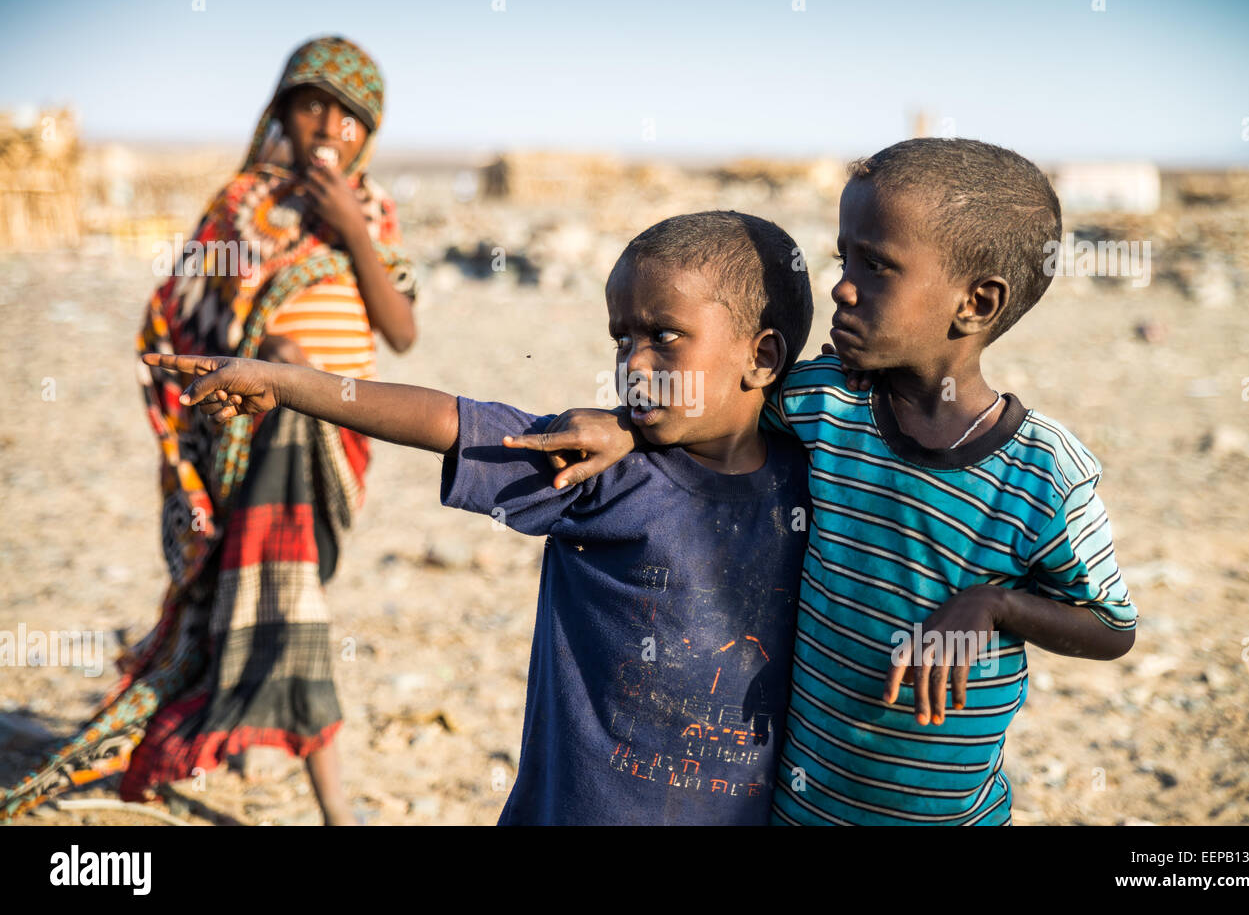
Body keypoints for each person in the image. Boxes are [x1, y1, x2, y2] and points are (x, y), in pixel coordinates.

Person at [513, 139, 1139, 825]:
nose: (842, 284)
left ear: (977, 302)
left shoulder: (1044, 475)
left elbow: (1110, 629)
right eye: (845, 257)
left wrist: (994, 605)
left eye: (876, 265)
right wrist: (624, 426)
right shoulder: (824, 403)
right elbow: (718, 403)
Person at [144, 210, 815, 824]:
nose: (634, 365)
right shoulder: (592, 470)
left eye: (665, 337)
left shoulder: (818, 477)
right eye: (622, 339)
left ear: (761, 357)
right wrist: (291, 385)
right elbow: (449, 419)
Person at [0, 35, 415, 826]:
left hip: (344, 438)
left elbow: (401, 333)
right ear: (280, 112)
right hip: (253, 430)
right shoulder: (239, 206)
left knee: (268, 590)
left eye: (350, 112)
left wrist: (350, 231)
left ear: (372, 129)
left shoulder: (374, 209)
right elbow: (181, 317)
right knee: (283, 595)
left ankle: (205, 741)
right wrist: (276, 363)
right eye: (311, 102)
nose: (329, 122)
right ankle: (333, 801)